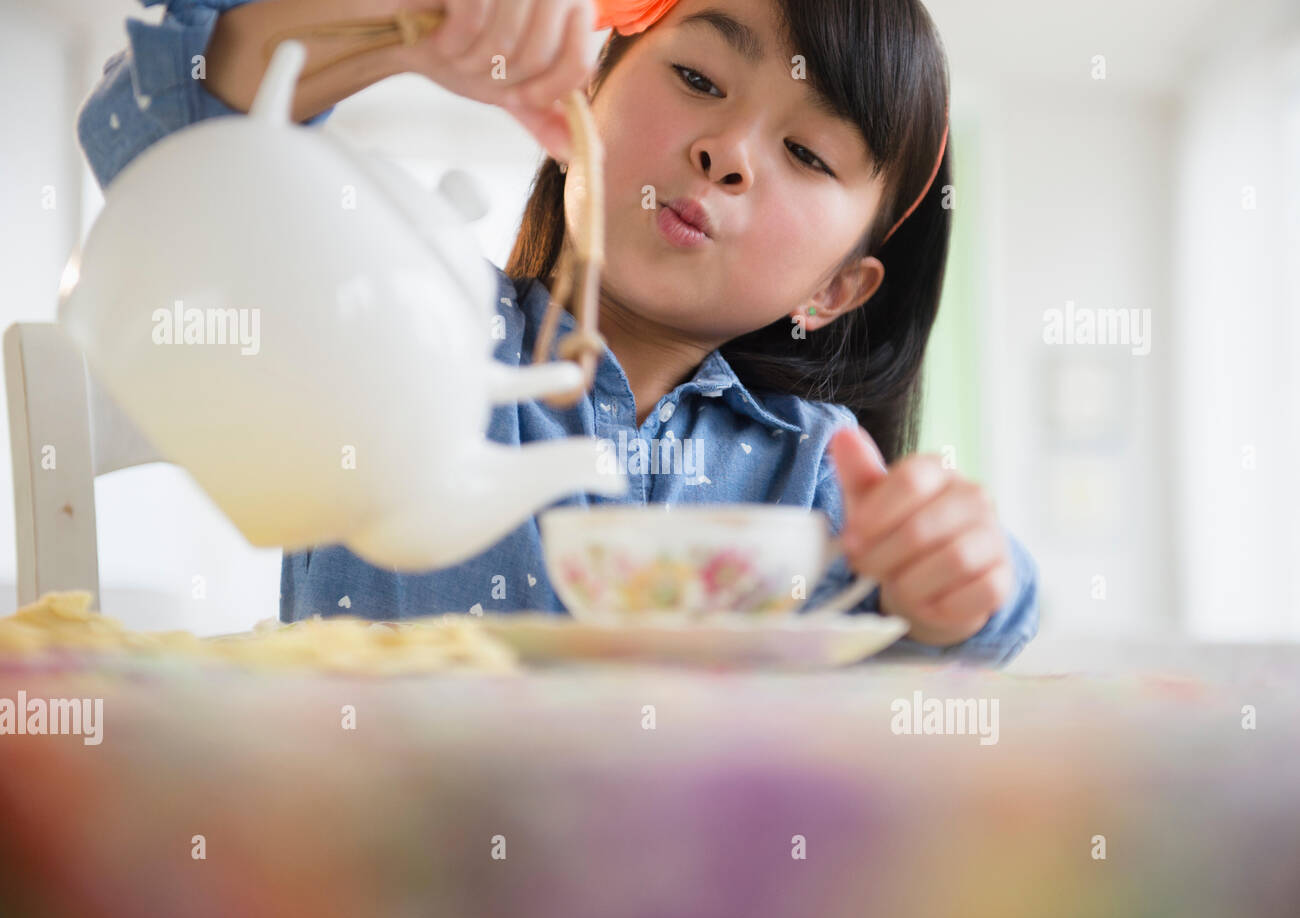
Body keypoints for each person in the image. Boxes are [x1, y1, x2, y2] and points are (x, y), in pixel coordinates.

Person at [76, 0, 1039, 665]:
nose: (728, 151)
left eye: (803, 151)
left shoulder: (819, 468)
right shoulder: (399, 309)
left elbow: (944, 661)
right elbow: (161, 124)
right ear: (585, 93)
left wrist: (965, 584)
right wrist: (410, 22)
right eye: (699, 76)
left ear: (837, 288)